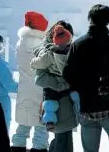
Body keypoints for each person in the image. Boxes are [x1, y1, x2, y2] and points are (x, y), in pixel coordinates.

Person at [63, 4, 109, 152]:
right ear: (108, 21)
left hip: (87, 108)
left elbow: (68, 74)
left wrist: (82, 90)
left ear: (89, 19)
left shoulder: (78, 45)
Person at [34, 21, 79, 152]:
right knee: (62, 139)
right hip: (54, 100)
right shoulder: (45, 51)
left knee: (64, 138)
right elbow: (39, 78)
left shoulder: (70, 49)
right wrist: (62, 83)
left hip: (65, 102)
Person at [13, 10, 50, 152]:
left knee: (23, 125)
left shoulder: (20, 42)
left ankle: (16, 148)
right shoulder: (40, 45)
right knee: (41, 128)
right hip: (39, 90)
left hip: (24, 89)